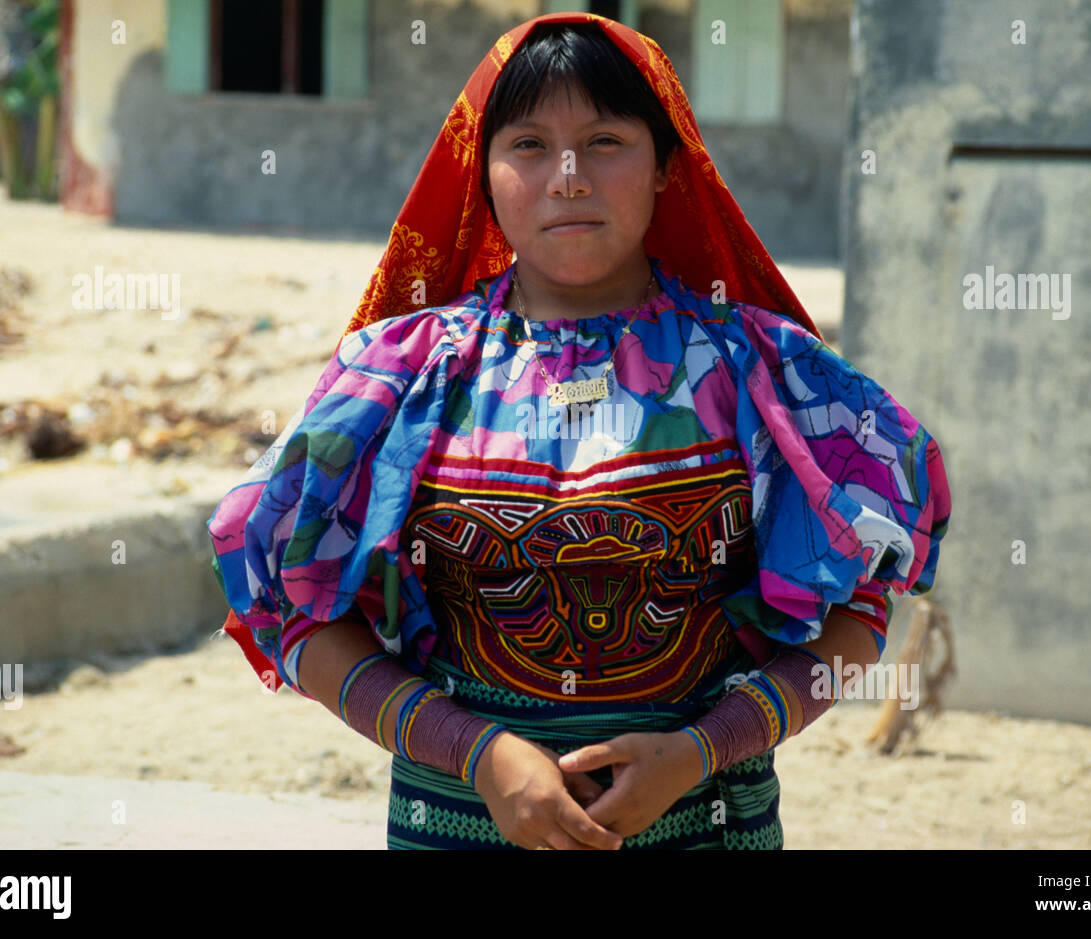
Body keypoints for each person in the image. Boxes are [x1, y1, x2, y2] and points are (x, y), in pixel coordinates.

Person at [205, 11, 951, 850]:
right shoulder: (400, 376)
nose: (567, 177)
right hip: (456, 827)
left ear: (667, 162)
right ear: (480, 174)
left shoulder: (764, 374)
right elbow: (289, 613)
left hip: (702, 827)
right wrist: (477, 754)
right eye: (527, 144)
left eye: (605, 140)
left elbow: (861, 604)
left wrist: (704, 748)